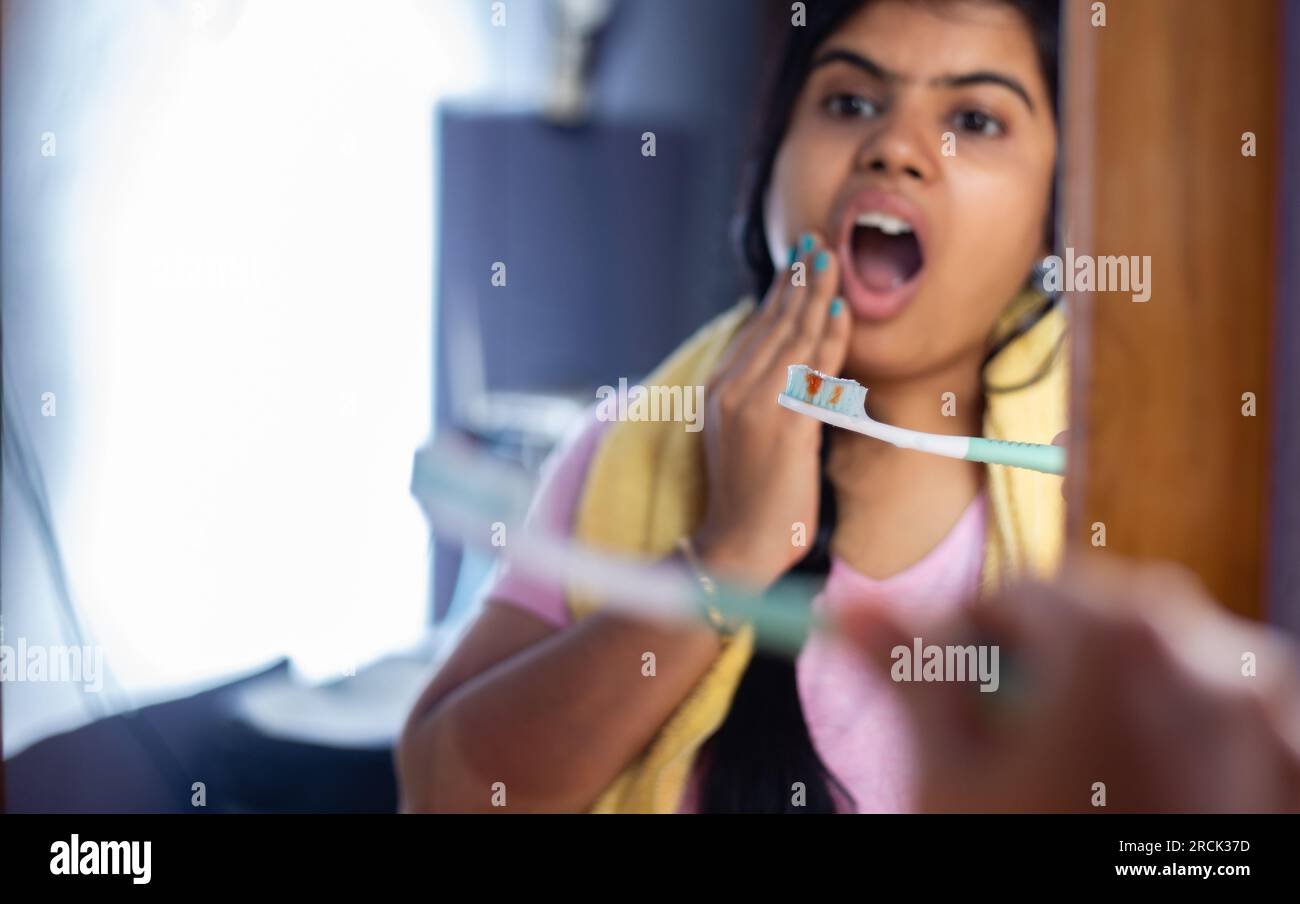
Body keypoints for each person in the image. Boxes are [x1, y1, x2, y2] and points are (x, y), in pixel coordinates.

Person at [395, 0, 1300, 813]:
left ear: (1050, 223)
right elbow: (449, 790)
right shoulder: (624, 445)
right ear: (771, 168)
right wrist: (729, 556)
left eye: (975, 120)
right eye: (850, 103)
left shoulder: (1106, 497)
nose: (896, 148)